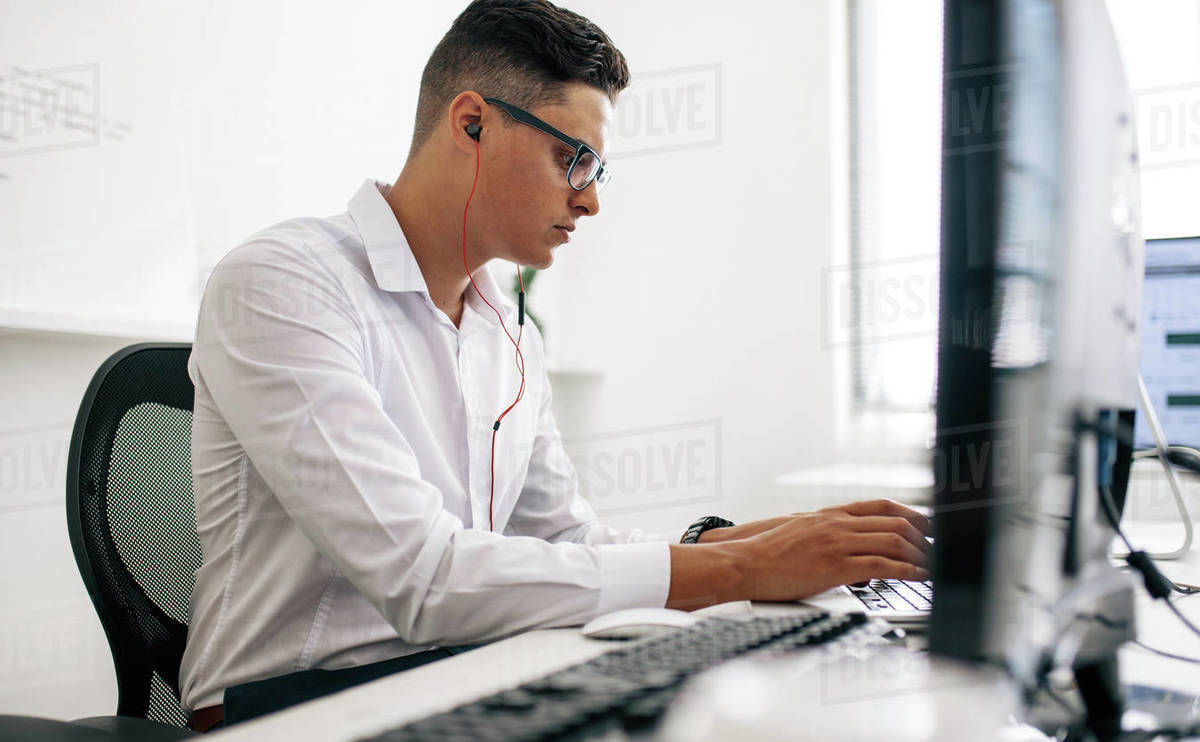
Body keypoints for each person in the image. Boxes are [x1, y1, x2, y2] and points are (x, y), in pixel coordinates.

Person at [180, 0, 931, 731]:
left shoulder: (507, 329)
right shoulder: (285, 282)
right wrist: (747, 571)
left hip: (466, 668)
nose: (592, 201)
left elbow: (564, 544)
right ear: (471, 123)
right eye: (575, 159)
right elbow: (425, 577)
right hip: (292, 704)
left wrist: (751, 542)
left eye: (598, 168)